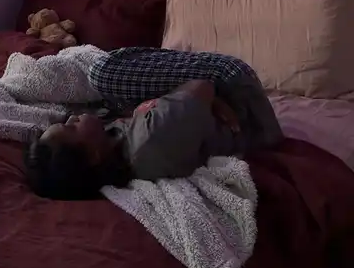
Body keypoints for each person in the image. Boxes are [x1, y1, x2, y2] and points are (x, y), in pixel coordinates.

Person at [23, 46, 283, 200]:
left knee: (104, 90)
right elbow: (203, 86)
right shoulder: (151, 140)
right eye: (71, 127)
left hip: (202, 103)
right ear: (91, 155)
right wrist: (208, 97)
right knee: (103, 73)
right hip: (235, 88)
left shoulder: (109, 144)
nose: (72, 118)